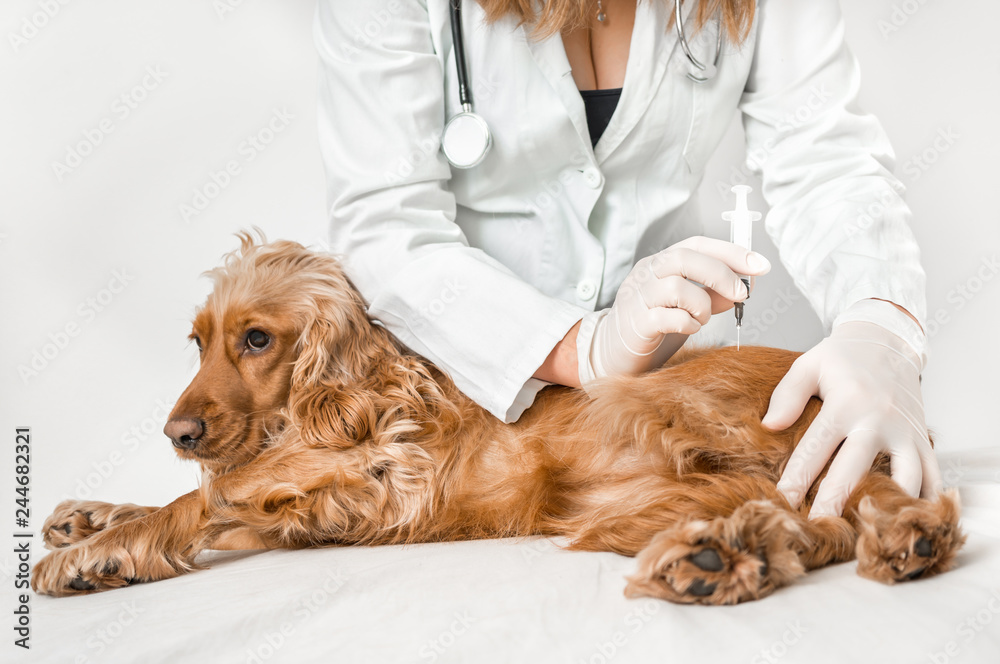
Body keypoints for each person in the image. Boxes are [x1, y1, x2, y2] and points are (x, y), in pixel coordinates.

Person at [313, 0, 943, 520]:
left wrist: (879, 322)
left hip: (679, 400)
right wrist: (582, 347)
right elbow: (386, 222)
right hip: (472, 408)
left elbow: (824, 157)